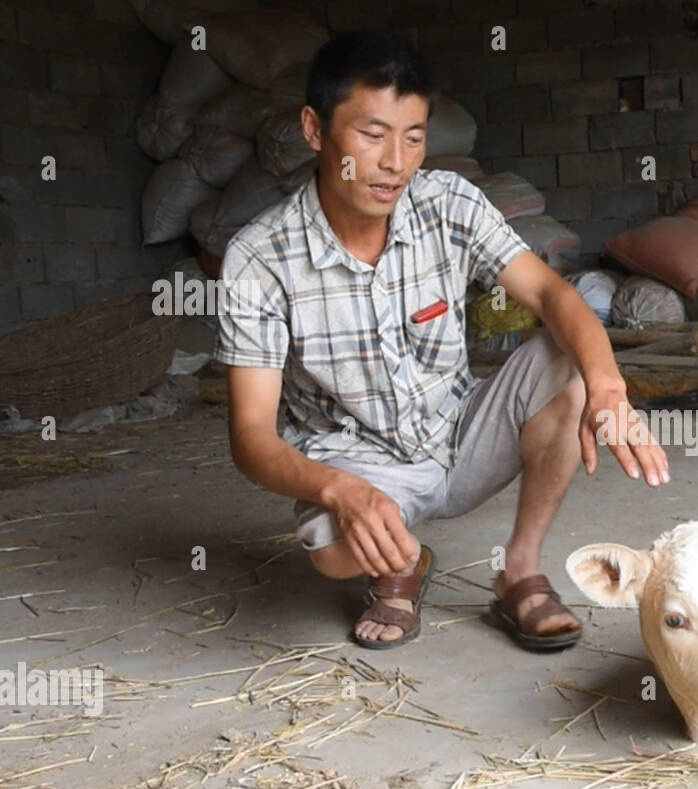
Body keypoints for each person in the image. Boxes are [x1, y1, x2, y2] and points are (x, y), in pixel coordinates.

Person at [215, 30, 667, 652]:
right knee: (330, 546)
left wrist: (610, 390)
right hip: (361, 462)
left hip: (461, 431)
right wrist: (337, 489)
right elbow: (251, 438)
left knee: (571, 358)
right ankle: (400, 569)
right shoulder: (260, 257)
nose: (395, 161)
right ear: (315, 130)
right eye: (371, 135)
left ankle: (520, 571)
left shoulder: (448, 203)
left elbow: (551, 296)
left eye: (415, 137)